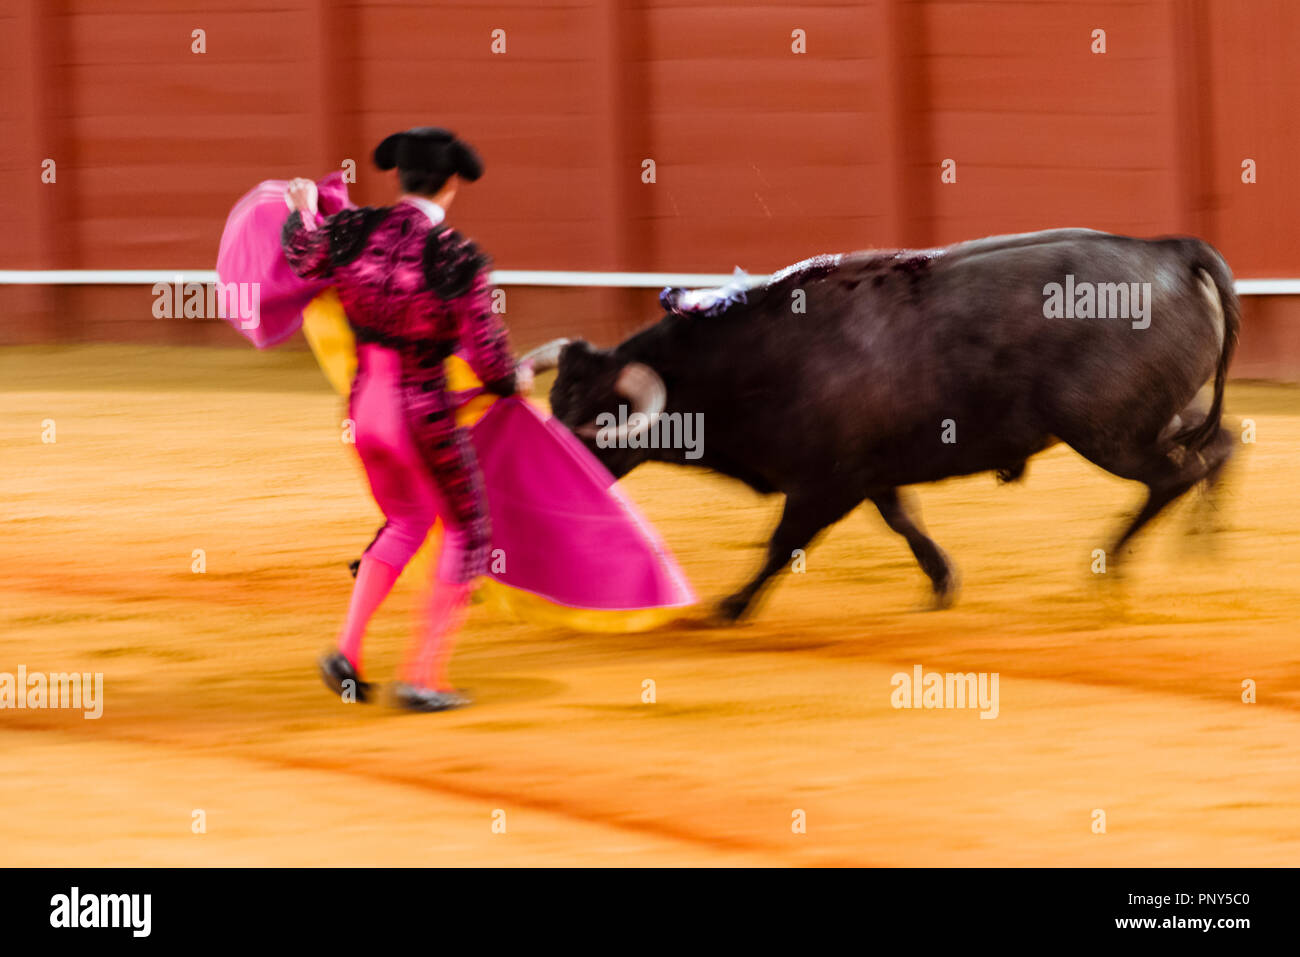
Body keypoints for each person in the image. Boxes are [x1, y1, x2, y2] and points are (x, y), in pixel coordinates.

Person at [281, 127, 532, 712]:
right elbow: (492, 366)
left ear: (399, 177)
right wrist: (513, 379)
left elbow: (301, 256)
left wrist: (299, 212)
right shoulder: (459, 259)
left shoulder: (350, 230)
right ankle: (423, 677)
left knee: (406, 519)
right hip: (421, 412)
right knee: (468, 531)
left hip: (363, 407)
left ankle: (348, 653)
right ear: (450, 186)